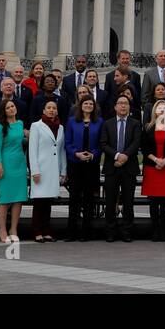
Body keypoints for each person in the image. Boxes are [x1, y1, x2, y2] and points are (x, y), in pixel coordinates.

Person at [99, 94, 142, 242]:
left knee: (128, 202)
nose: (123, 106)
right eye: (120, 103)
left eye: (126, 103)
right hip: (112, 166)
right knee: (110, 201)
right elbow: (103, 143)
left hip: (129, 167)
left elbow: (136, 142)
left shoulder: (135, 123)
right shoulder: (107, 124)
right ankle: (110, 231)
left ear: (129, 107)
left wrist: (125, 156)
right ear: (115, 107)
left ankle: (127, 231)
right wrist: (117, 156)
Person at [64, 96, 103, 241]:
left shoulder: (99, 122)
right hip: (75, 163)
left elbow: (101, 142)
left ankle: (86, 231)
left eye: (90, 104)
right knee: (74, 198)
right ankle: (71, 231)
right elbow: (67, 142)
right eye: (85, 103)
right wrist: (76, 153)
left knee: (88, 199)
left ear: (94, 106)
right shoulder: (72, 121)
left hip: (91, 165)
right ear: (80, 106)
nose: (88, 106)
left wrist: (93, 154)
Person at [141, 100, 165, 241]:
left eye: (164, 108)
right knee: (153, 200)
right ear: (155, 111)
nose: (162, 110)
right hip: (152, 167)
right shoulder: (147, 127)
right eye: (159, 108)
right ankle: (154, 229)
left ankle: (163, 229)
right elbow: (144, 146)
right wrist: (156, 160)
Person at [27, 99, 66, 242]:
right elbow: (32, 150)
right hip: (41, 170)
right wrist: (34, 171)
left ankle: (46, 230)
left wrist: (63, 171)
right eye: (48, 108)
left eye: (54, 108)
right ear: (43, 111)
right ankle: (37, 230)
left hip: (53, 170)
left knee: (48, 201)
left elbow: (61, 150)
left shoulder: (60, 127)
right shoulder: (36, 126)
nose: (51, 110)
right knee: (39, 202)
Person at [0, 99, 28, 242]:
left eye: (12, 106)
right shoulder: (0, 127)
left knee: (18, 198)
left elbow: (23, 141)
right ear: (4, 111)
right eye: (8, 107)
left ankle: (13, 228)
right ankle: (2, 229)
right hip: (6, 163)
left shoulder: (20, 124)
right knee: (5, 199)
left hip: (20, 163)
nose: (11, 109)